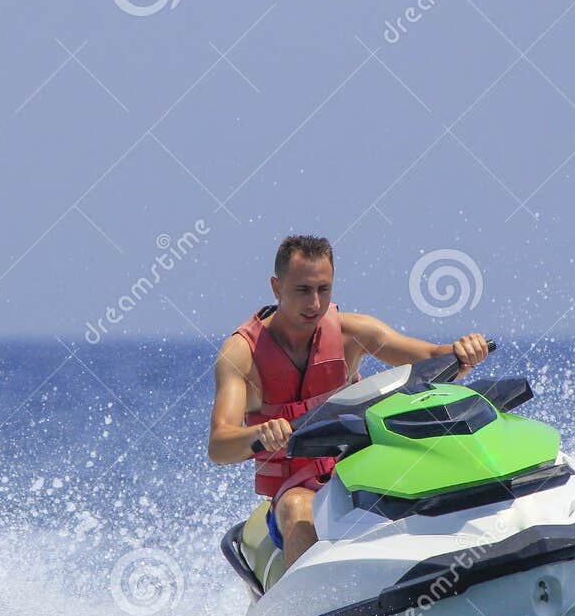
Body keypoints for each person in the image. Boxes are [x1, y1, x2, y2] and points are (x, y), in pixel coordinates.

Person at [208, 234, 490, 564]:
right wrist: (260, 434)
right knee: (298, 509)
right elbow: (219, 445)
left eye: (323, 289)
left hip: (359, 470)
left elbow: (431, 356)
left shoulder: (352, 333)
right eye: (302, 290)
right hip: (297, 490)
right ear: (277, 287)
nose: (315, 303)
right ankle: (311, 596)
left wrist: (464, 352)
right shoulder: (242, 354)